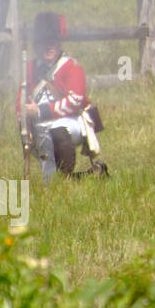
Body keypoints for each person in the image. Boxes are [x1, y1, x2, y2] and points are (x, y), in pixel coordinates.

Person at [21, 12, 107, 181]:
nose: (49, 46)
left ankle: (67, 177)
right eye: (44, 42)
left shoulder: (71, 66)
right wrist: (24, 128)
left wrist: (40, 111)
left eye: (52, 42)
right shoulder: (30, 68)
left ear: (59, 42)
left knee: (58, 131)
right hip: (40, 128)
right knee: (50, 179)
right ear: (37, 45)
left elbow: (75, 101)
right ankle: (67, 183)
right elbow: (21, 102)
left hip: (70, 122)